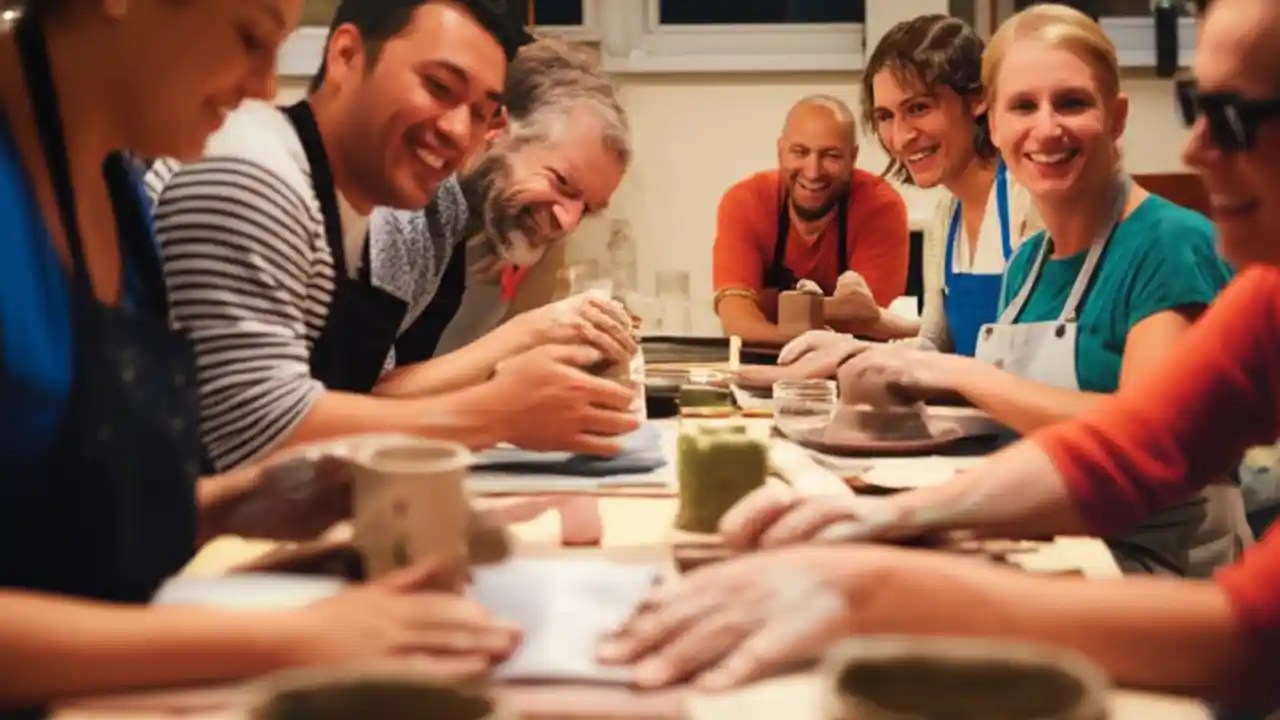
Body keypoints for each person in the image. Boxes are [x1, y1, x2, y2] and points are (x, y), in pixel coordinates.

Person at [598, 0, 1279, 712]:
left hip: (1160, 583)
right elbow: (1135, 446)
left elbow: (1254, 636)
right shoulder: (1244, 292)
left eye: (1232, 117)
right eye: (1196, 105)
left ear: (1112, 117)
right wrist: (895, 518)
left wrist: (878, 591)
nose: (1197, 149)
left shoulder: (1172, 242)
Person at [0, 1, 519, 716]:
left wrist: (227, 507)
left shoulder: (117, 188)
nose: (260, 87)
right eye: (249, 38)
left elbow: (50, 512)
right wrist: (284, 639)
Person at [835, 4, 1245, 576]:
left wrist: (962, 375)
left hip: (1159, 567)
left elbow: (1147, 438)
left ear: (1117, 116)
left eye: (1072, 102)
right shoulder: (1027, 263)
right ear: (994, 123)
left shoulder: (1172, 244)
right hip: (1056, 538)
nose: (1047, 128)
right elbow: (1023, 430)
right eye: (1023, 106)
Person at [146, 0, 638, 472]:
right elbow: (251, 435)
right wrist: (496, 412)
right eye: (439, 87)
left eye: (481, 113)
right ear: (345, 57)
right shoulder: (253, 174)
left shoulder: (369, 207)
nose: (458, 132)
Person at [374, 36, 631, 374]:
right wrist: (527, 334)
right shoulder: (402, 212)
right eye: (562, 183)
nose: (567, 222)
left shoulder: (501, 224)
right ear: (497, 127)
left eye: (587, 209)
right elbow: (356, 397)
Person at [711, 95, 910, 346]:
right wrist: (825, 314)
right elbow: (736, 322)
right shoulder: (746, 201)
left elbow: (866, 322)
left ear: (853, 157)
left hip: (851, 365)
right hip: (764, 360)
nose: (813, 171)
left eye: (831, 155)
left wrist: (771, 304)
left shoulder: (880, 206)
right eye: (800, 152)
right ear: (780, 151)